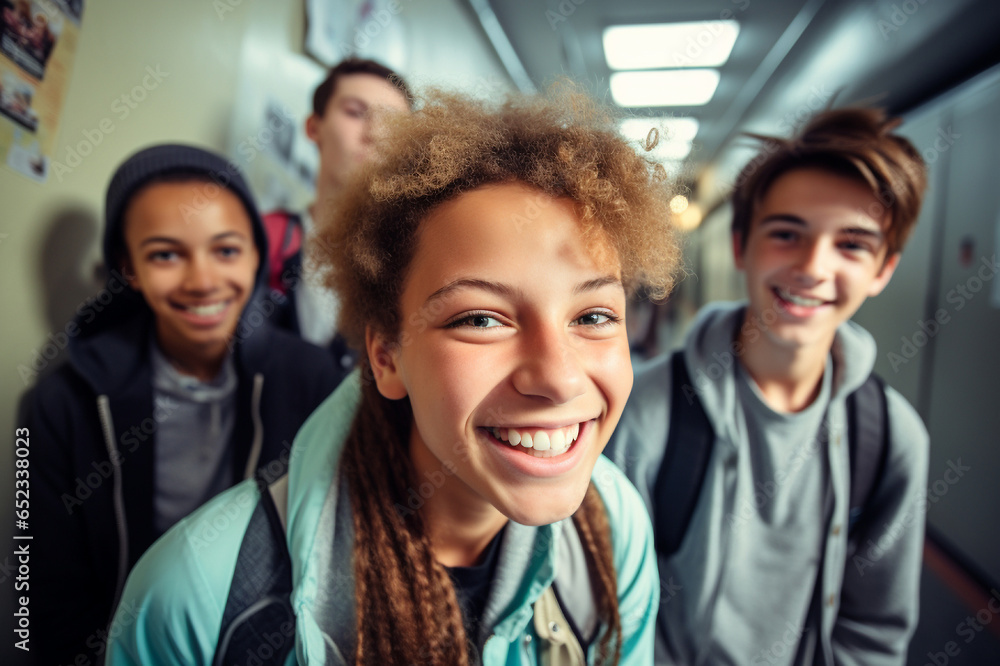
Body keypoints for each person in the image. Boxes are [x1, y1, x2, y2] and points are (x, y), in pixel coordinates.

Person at [104, 86, 683, 665]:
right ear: (385, 356)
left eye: (593, 315)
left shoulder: (612, 524)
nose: (558, 378)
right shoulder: (197, 596)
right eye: (481, 319)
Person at [605, 107, 930, 665]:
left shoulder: (889, 436)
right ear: (741, 246)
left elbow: (874, 630)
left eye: (852, 244)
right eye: (787, 234)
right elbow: (608, 602)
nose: (812, 267)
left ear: (883, 269)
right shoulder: (645, 408)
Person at [22, 144, 339, 665]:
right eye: (166, 254)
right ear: (128, 268)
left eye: (227, 250)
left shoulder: (312, 380)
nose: (202, 281)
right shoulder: (63, 402)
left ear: (258, 255)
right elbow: (39, 591)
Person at [266, 57, 411, 382]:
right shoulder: (259, 239)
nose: (374, 134)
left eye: (393, 123)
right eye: (356, 113)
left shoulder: (416, 260)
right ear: (313, 127)